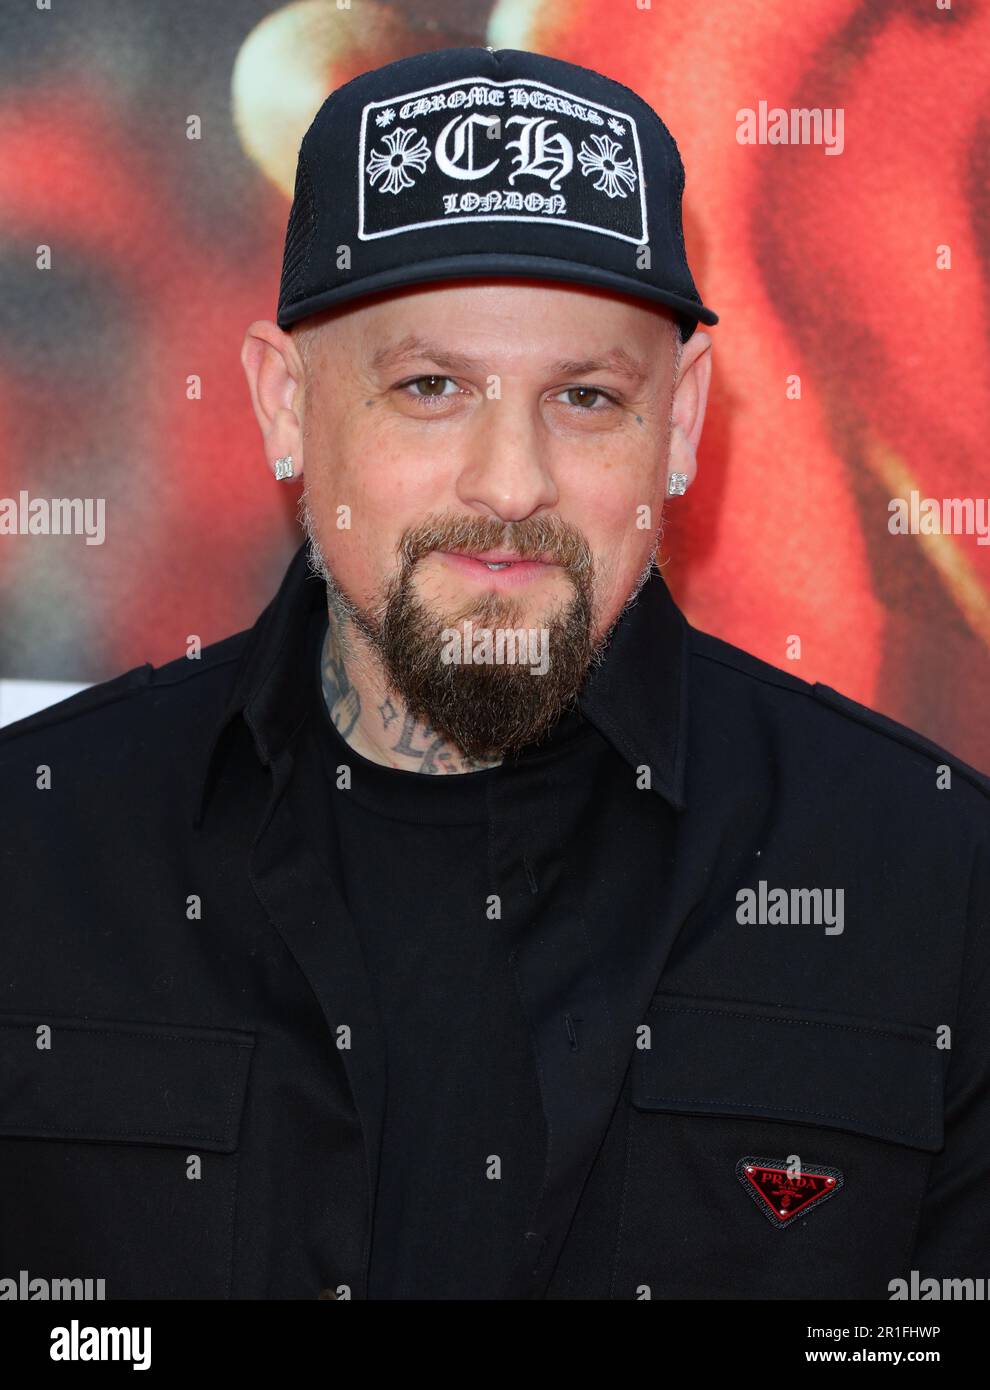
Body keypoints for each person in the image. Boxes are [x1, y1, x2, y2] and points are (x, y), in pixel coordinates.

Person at [1, 45, 987, 1303]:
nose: (510, 482)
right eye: (430, 387)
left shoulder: (935, 882)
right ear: (285, 402)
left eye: (584, 397)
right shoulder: (33, 848)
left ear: (680, 423)